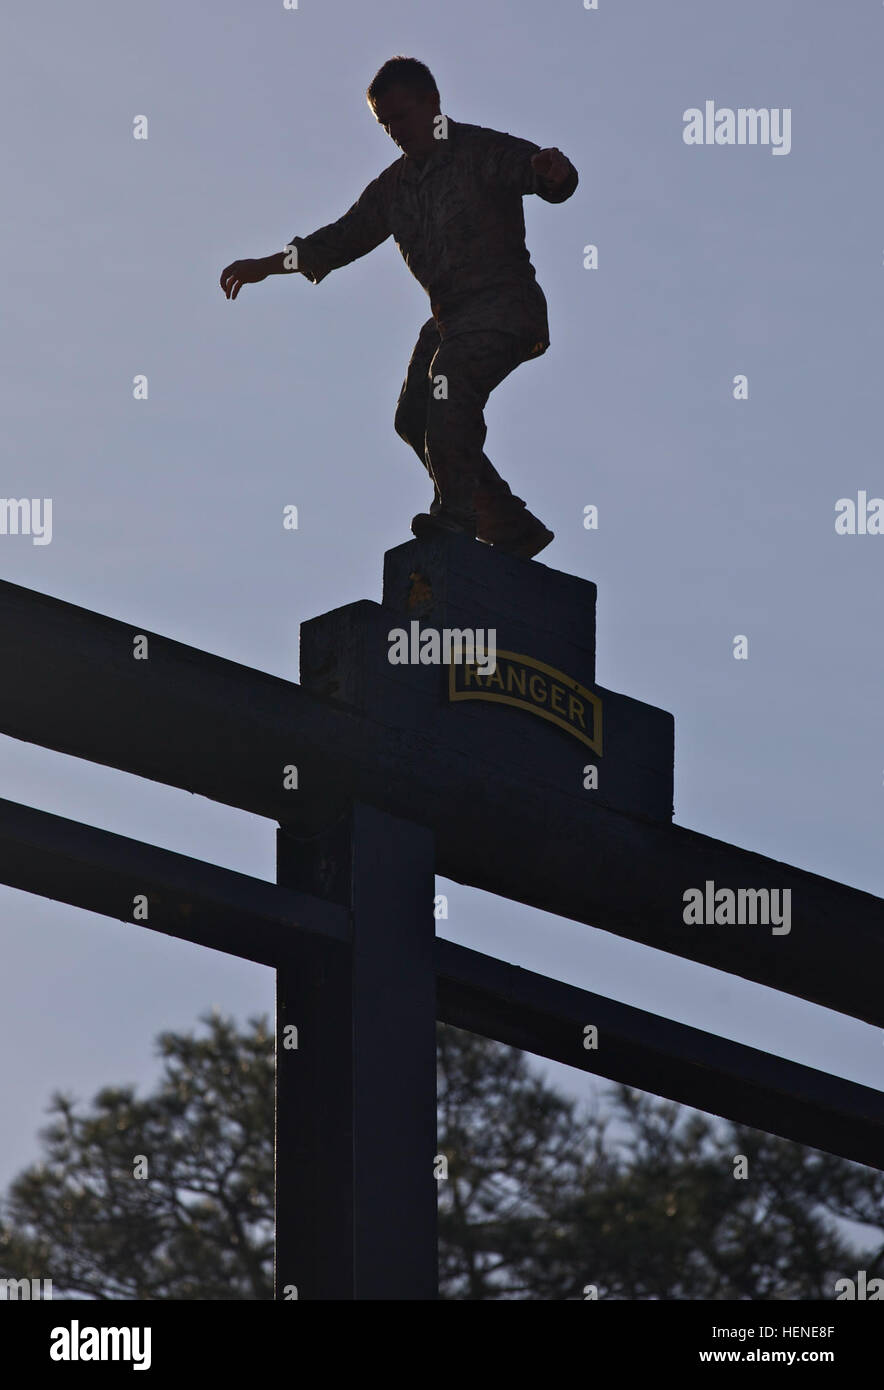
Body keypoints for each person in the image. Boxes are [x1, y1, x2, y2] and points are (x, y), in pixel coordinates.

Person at [220, 56, 578, 560]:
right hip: (450, 318)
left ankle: (455, 516)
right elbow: (341, 238)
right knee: (413, 415)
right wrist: (267, 264)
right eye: (385, 124)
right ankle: (509, 525)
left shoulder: (479, 150)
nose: (395, 132)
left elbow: (540, 173)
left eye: (402, 118)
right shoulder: (395, 187)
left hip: (506, 306)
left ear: (432, 103)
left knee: (449, 379)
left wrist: (556, 175)